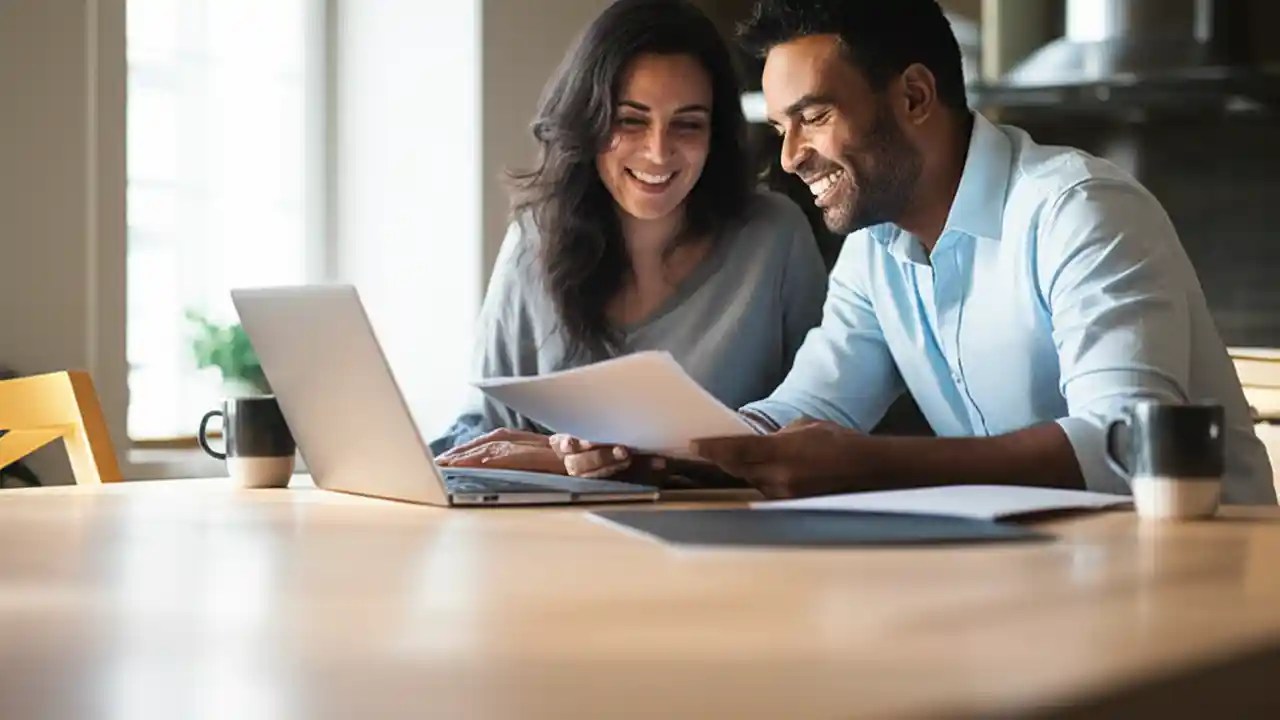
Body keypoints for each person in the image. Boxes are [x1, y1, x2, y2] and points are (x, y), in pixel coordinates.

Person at [561, 0, 1276, 504]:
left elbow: (1126, 446)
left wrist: (872, 465)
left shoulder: (1078, 209)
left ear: (913, 97)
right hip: (1046, 582)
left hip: (1210, 587)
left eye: (814, 116)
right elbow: (804, 408)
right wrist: (656, 450)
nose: (790, 157)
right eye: (781, 127)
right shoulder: (874, 250)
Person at [431, 0, 828, 478]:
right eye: (631, 120)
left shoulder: (775, 237)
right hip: (553, 521)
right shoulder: (534, 241)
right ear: (589, 121)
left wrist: (579, 460)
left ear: (716, 134)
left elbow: (820, 428)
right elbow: (481, 435)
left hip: (724, 519)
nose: (658, 152)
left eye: (687, 124)